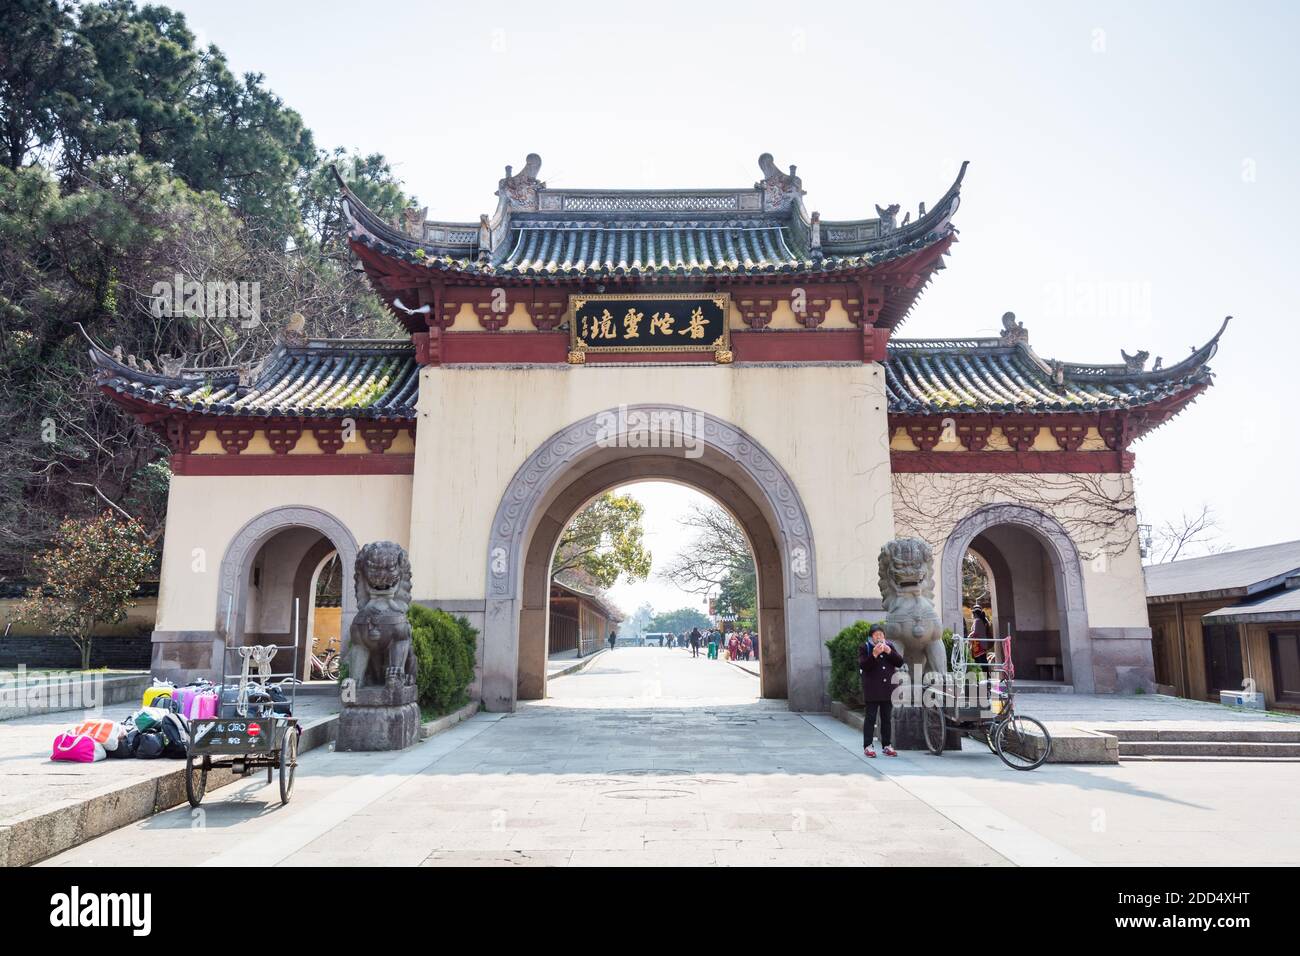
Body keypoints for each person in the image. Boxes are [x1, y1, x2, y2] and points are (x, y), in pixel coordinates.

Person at [858, 624, 904, 757]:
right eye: (876, 635)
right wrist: (874, 654)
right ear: (871, 636)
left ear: (884, 636)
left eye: (881, 634)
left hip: (888, 689)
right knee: (870, 718)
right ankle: (868, 746)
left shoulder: (889, 646)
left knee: (886, 719)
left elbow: (900, 662)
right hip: (872, 689)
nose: (879, 637)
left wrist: (889, 652)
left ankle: (887, 745)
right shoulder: (865, 647)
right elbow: (864, 665)